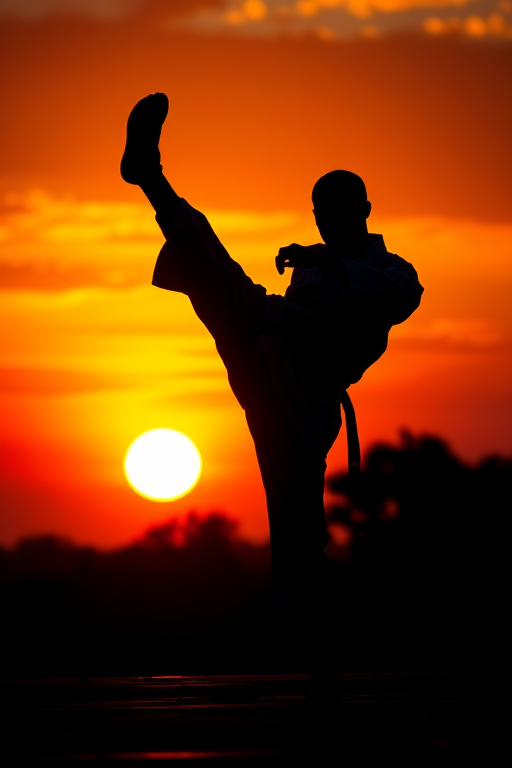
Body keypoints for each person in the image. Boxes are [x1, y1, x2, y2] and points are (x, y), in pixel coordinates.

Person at [121, 93, 424, 700]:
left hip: (304, 396)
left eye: (337, 210)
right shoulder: (313, 266)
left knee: (297, 524)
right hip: (264, 340)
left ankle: (312, 649)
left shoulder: (393, 271)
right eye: (318, 212)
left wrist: (329, 265)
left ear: (364, 210)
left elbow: (397, 299)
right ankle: (148, 177)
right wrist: (317, 267)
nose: (324, 221)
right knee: (212, 262)